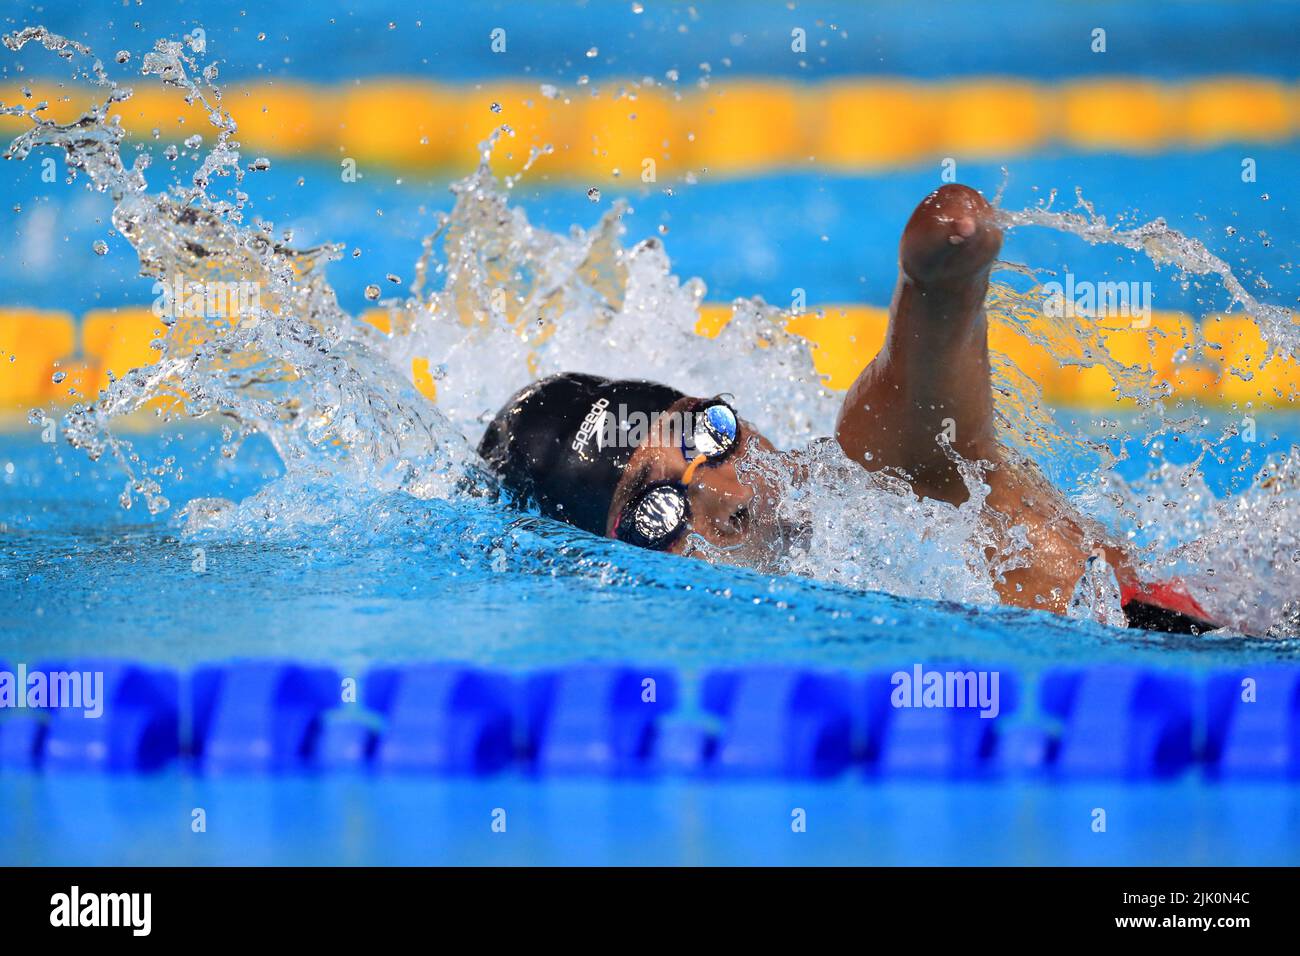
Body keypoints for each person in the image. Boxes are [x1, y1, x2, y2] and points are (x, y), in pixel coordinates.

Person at [477, 184, 1216, 634]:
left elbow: (921, 374)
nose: (726, 493)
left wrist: (939, 275)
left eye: (710, 433)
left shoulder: (879, 469)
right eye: (657, 512)